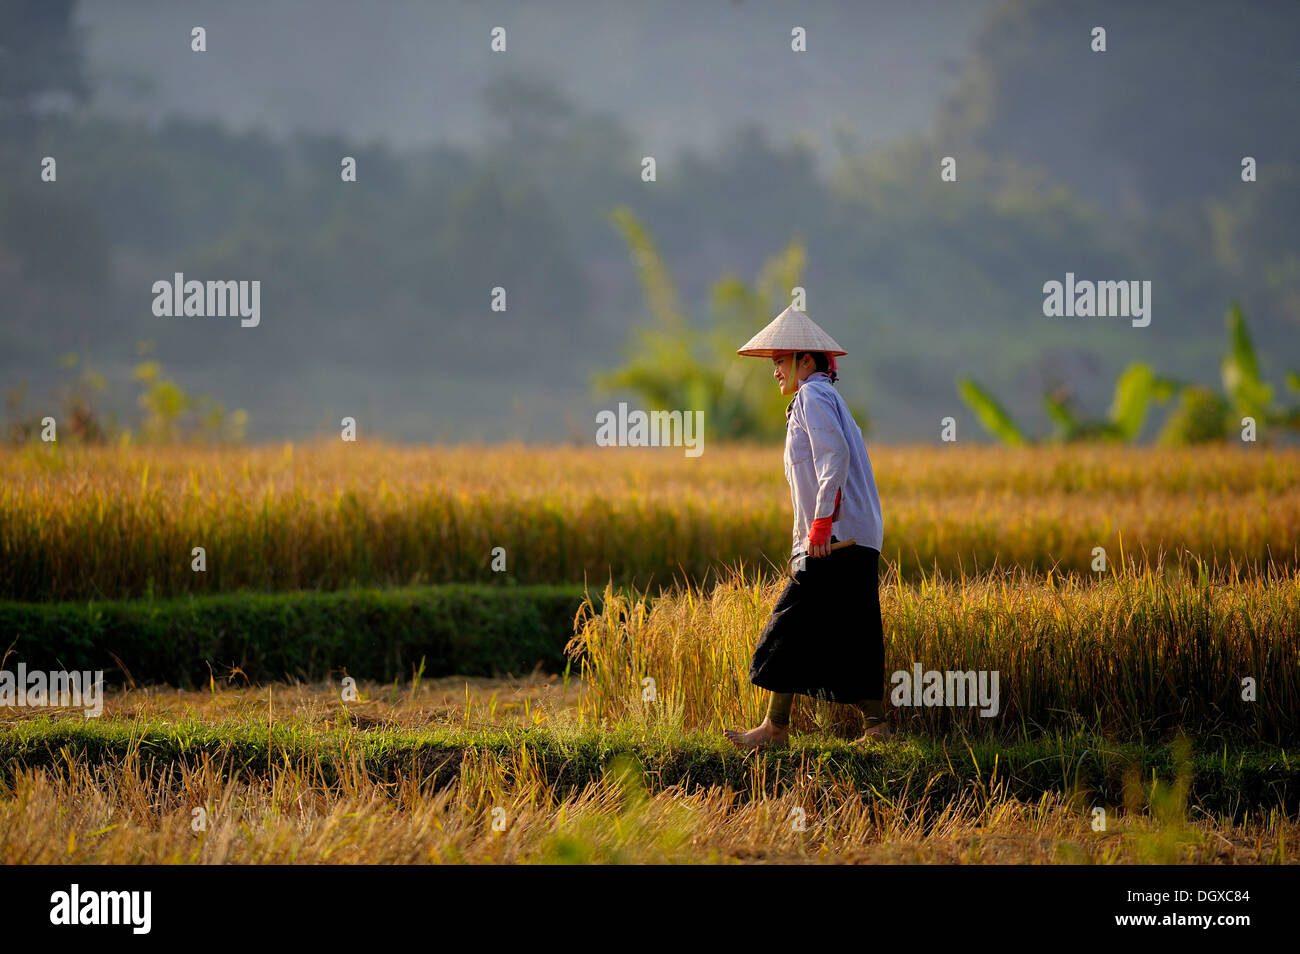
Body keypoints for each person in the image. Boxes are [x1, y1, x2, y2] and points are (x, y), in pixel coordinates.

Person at [723, 306, 890, 751]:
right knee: (854, 627)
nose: (775, 371)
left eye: (781, 361)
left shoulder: (813, 397)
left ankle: (775, 729)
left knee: (791, 621)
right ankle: (875, 728)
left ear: (807, 362)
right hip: (855, 533)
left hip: (835, 537)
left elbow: (832, 457)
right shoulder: (825, 397)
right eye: (775, 362)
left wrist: (819, 526)